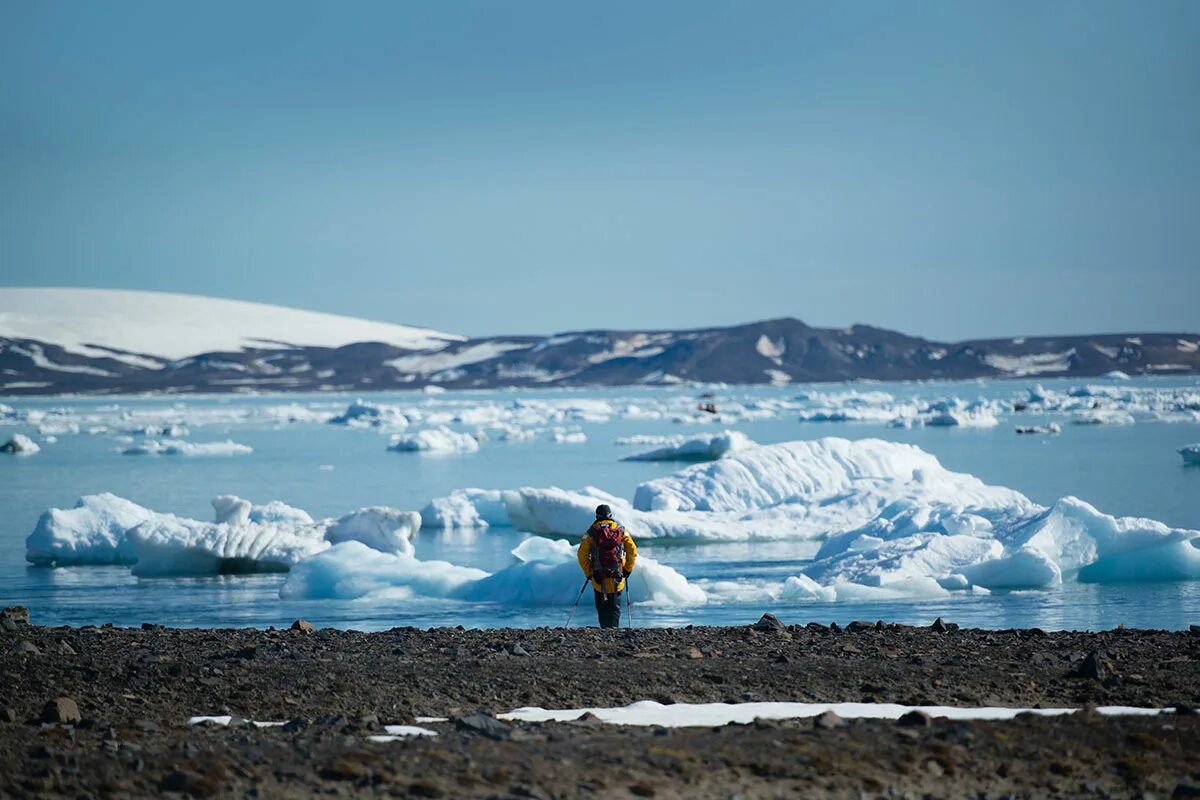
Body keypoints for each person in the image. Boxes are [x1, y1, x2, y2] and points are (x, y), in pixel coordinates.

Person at [577, 504, 637, 628]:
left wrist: (589, 573)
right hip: (617, 575)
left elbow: (582, 555)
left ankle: (604, 630)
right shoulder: (621, 531)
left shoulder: (591, 533)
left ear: (597, 516)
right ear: (610, 515)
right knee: (614, 607)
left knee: (601, 607)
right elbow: (632, 550)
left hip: (598, 576)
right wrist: (627, 569)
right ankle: (614, 629)